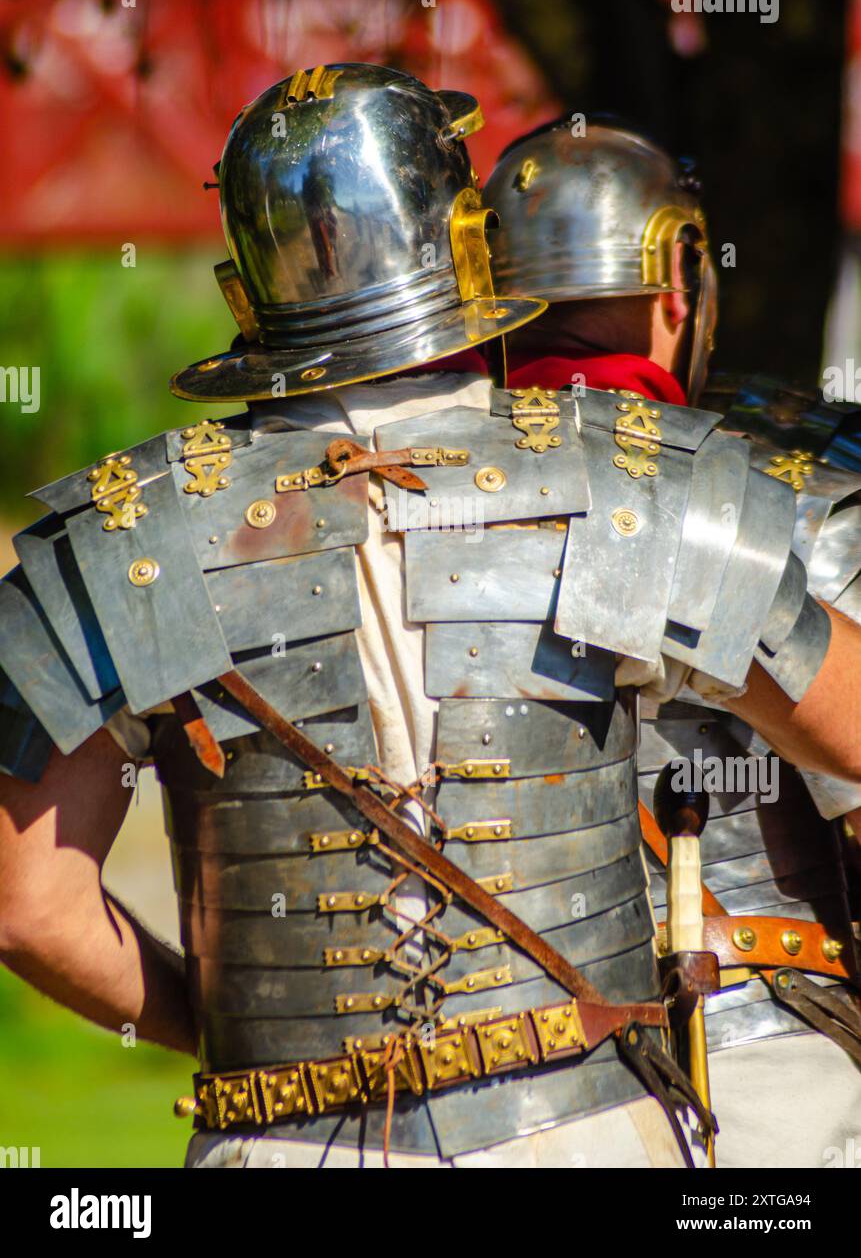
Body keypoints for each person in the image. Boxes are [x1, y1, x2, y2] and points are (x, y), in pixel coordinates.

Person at [1, 66, 859, 1171]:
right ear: (460, 246)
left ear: (246, 280)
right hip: (582, 1134)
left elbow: (28, 904)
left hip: (284, 1145)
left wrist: (237, 1034)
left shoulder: (126, 531)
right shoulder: (637, 484)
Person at [484, 117, 861, 1167]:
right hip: (758, 1071)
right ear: (677, 284)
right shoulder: (797, 489)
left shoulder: (396, 484)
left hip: (474, 1087)